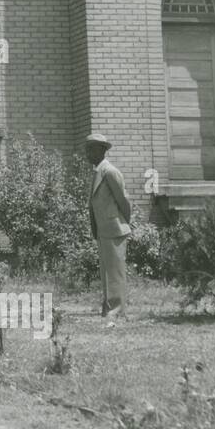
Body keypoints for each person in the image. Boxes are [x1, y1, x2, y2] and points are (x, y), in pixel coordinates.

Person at [85, 132, 131, 324]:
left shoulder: (110, 172)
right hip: (103, 229)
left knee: (115, 272)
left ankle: (117, 310)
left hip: (114, 228)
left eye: (90, 149)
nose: (87, 154)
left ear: (101, 151)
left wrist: (122, 222)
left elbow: (124, 201)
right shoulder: (98, 172)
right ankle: (108, 307)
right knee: (106, 272)